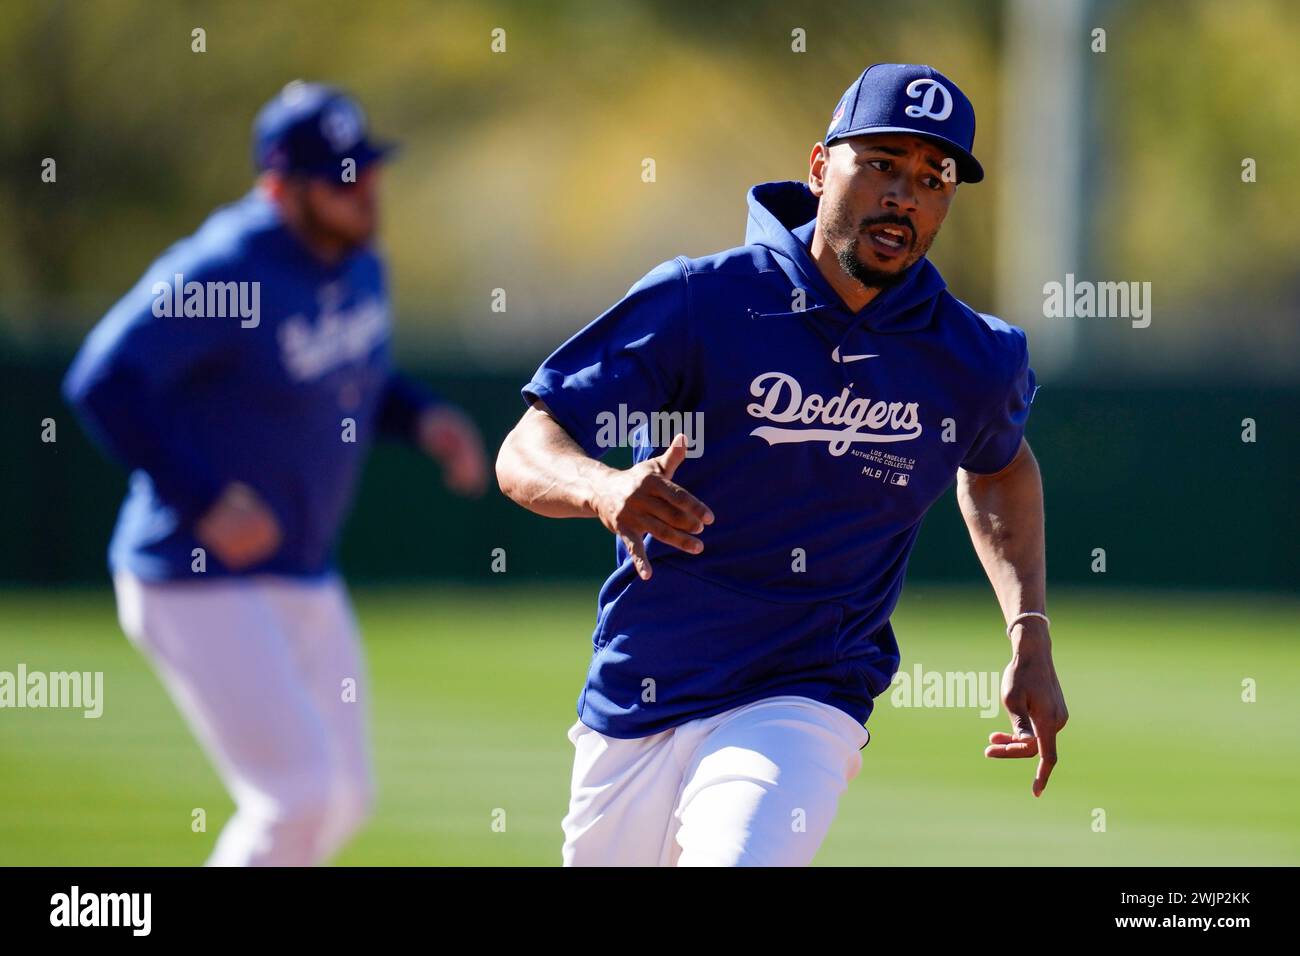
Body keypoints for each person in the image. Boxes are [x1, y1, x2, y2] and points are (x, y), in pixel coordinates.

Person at [496, 63, 1069, 866]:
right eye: (881, 164)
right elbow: (528, 446)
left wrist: (1028, 630)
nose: (906, 193)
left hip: (807, 695)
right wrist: (603, 488)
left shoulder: (973, 357)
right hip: (641, 688)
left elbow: (1000, 465)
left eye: (934, 177)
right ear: (818, 165)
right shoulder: (704, 300)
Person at [62, 81, 487, 866]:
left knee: (344, 796)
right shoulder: (227, 268)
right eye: (341, 178)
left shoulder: (356, 260)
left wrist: (421, 417)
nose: (364, 193)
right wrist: (202, 498)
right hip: (193, 575)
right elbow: (102, 378)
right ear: (279, 188)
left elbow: (348, 374)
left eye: (368, 170)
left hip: (300, 569)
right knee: (297, 797)